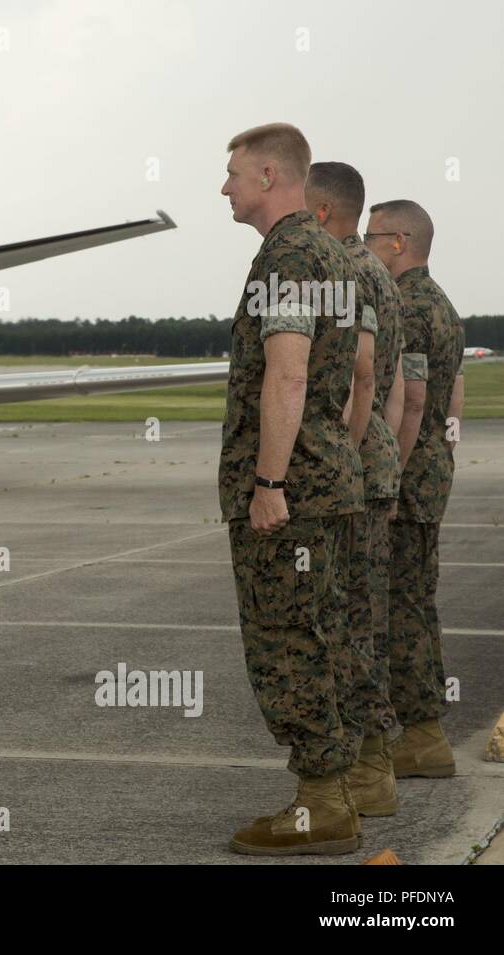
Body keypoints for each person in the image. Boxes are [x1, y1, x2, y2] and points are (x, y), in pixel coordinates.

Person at [218, 123, 365, 855]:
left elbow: (290, 373)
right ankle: (333, 790)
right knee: (323, 634)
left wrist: (271, 481)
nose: (226, 188)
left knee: (289, 642)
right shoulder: (336, 255)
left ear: (270, 176)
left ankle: (320, 805)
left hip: (293, 494)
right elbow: (349, 383)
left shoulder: (287, 257)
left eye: (235, 174)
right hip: (328, 481)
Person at [304, 162, 403, 817]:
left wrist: (340, 454)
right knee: (363, 621)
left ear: (319, 212)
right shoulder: (376, 272)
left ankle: (369, 768)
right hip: (374, 464)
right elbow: (392, 386)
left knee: (349, 628)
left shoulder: (346, 270)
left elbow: (362, 379)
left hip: (354, 472)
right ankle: (373, 767)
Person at [364, 200, 465, 778]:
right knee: (416, 603)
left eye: (372, 236)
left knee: (395, 608)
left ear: (399, 241)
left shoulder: (404, 303)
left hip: (404, 481)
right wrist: (439, 456)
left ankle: (419, 734)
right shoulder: (443, 304)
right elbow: (454, 398)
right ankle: (424, 735)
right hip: (428, 474)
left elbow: (417, 397)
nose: (366, 245)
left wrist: (391, 475)